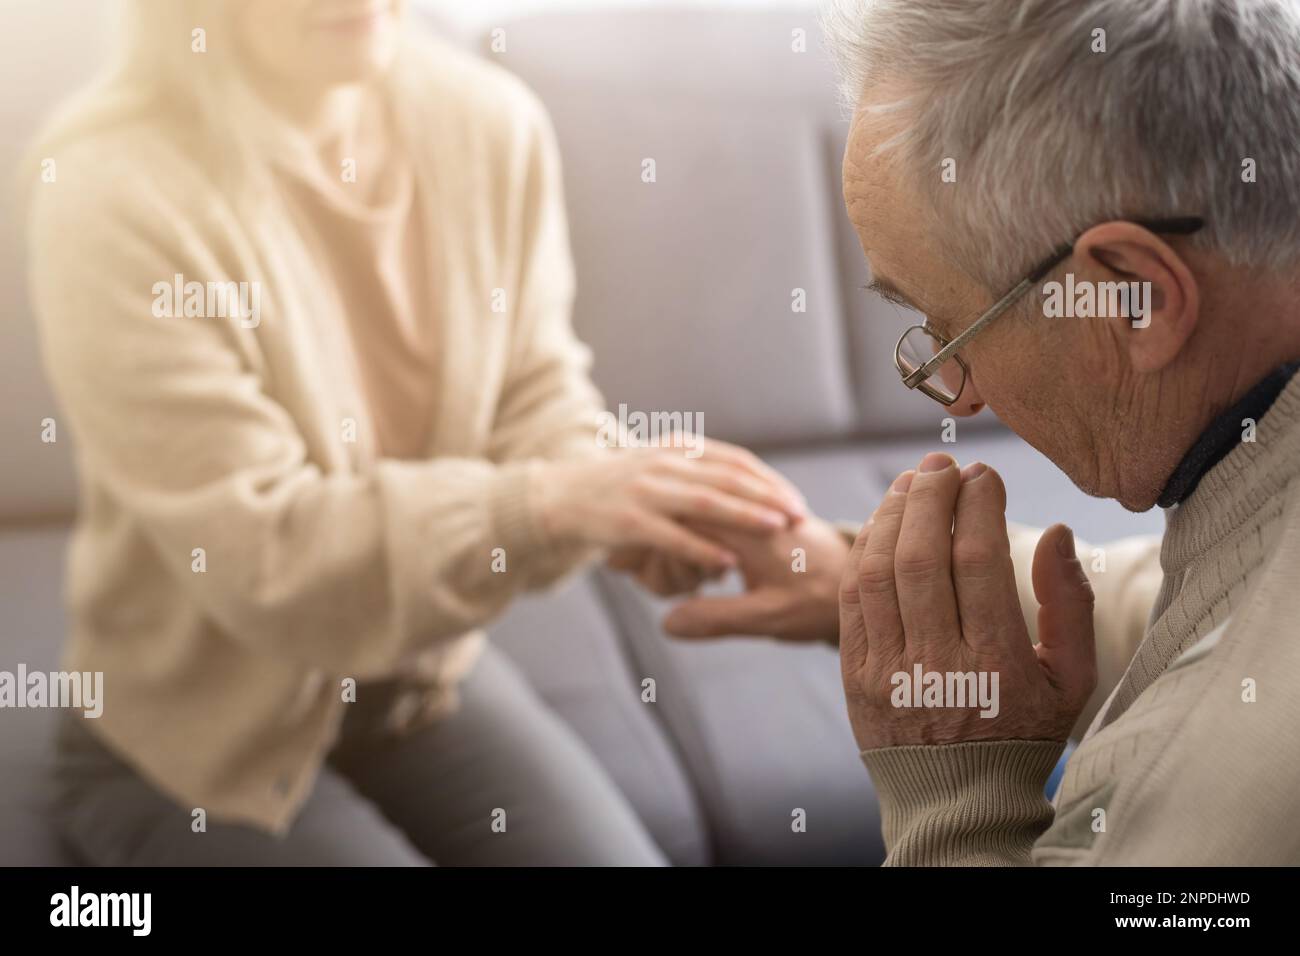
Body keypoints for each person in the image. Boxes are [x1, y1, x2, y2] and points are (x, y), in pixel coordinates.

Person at [23, 0, 807, 866]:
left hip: (417, 681)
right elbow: (265, 557)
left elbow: (531, 388)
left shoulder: (488, 123)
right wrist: (546, 506)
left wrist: (627, 499)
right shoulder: (109, 189)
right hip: (192, 740)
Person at [667, 0, 1300, 864]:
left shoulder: (1219, 791)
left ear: (1132, 296)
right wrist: (880, 587)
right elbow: (1199, 598)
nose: (957, 398)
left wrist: (955, 797)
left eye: (949, 330)